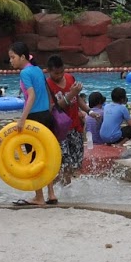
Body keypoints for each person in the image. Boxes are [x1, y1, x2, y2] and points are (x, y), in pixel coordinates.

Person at [9, 42, 57, 207]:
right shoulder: (37, 70)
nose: (11, 61)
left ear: (22, 57)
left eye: (13, 57)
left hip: (35, 118)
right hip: (46, 116)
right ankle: (51, 194)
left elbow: (31, 95)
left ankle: (39, 197)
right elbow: (46, 94)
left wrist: (22, 119)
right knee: (46, 155)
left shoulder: (25, 73)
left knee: (34, 159)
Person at [47, 56, 85, 186]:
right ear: (49, 71)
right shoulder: (47, 85)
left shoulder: (70, 78)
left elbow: (77, 98)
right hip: (60, 129)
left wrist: (89, 111)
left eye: (61, 72)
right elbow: (53, 107)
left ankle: (59, 183)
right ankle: (64, 188)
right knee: (64, 162)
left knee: (76, 162)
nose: (59, 75)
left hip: (75, 126)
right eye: (56, 73)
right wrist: (71, 94)